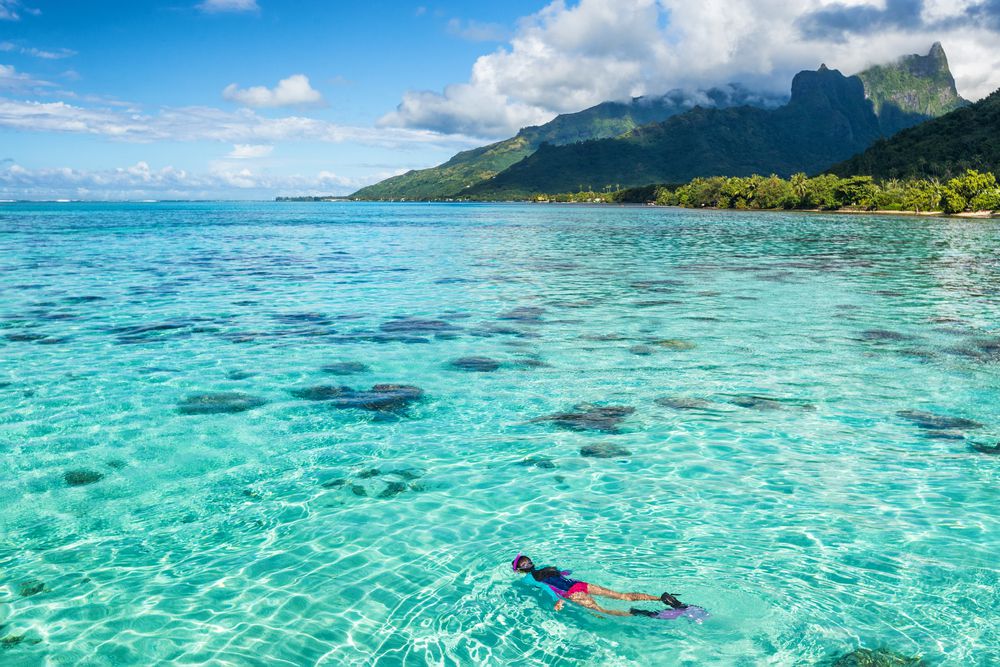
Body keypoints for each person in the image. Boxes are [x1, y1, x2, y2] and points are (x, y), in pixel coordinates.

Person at [512, 553, 687, 617]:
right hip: (580, 584)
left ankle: (643, 613)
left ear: (520, 570)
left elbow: (547, 587)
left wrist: (557, 601)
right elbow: (564, 573)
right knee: (622, 595)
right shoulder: (547, 567)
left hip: (571, 593)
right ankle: (662, 598)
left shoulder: (528, 579)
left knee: (601, 612)